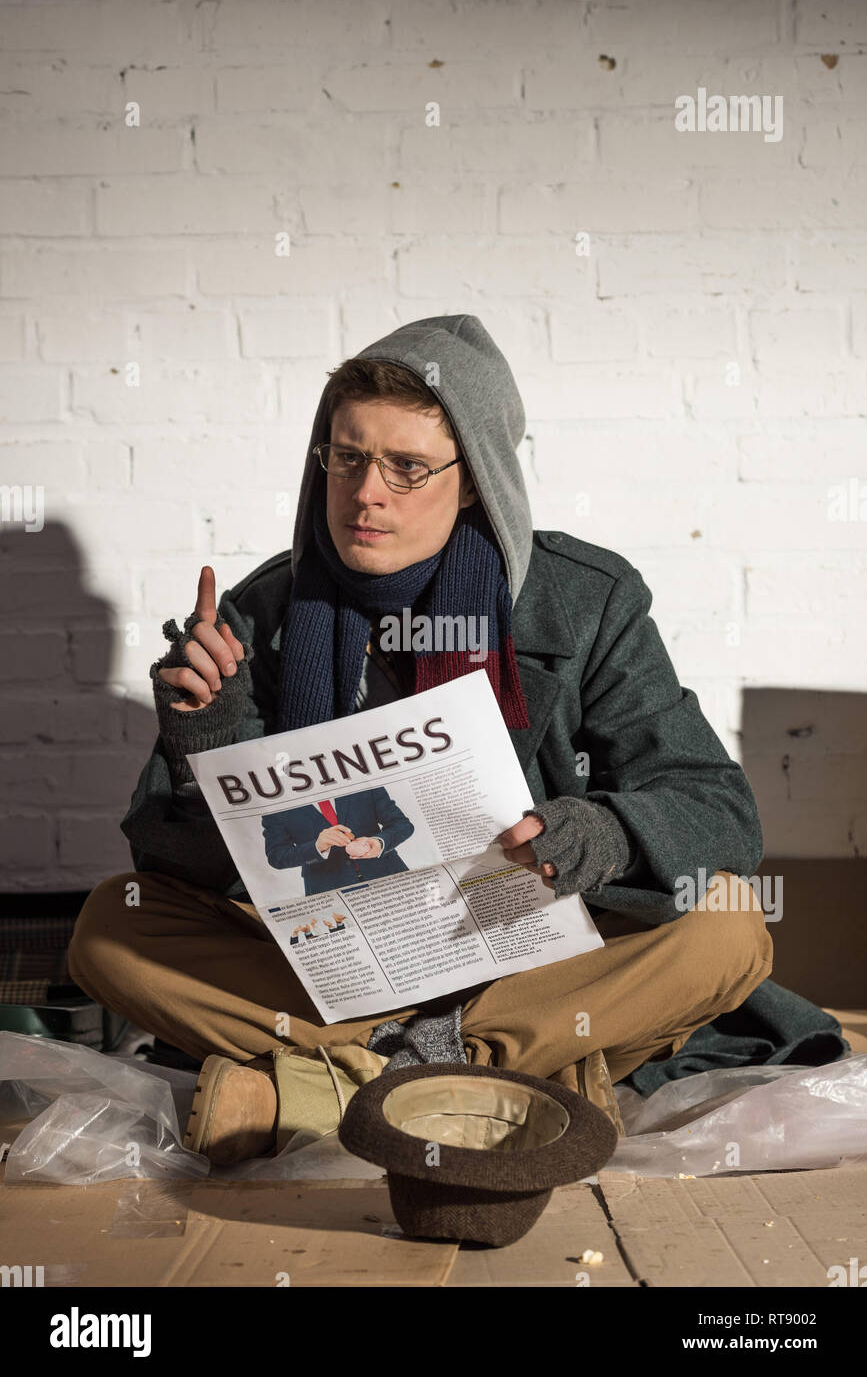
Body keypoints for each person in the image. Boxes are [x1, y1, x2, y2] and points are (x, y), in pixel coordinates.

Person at [68, 313, 803, 1166]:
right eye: (346, 457)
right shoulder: (261, 614)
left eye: (405, 467)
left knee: (728, 923)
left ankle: (332, 1088)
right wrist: (206, 740)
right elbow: (174, 867)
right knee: (109, 928)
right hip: (330, 965)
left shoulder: (586, 600)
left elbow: (717, 813)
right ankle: (506, 1084)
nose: (365, 492)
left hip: (530, 955)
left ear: (473, 480)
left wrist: (603, 832)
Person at [261, 789, 414, 894]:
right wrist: (317, 847)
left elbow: (401, 824)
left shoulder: (361, 781)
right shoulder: (276, 805)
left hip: (389, 876)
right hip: (328, 889)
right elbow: (277, 856)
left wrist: (379, 843)